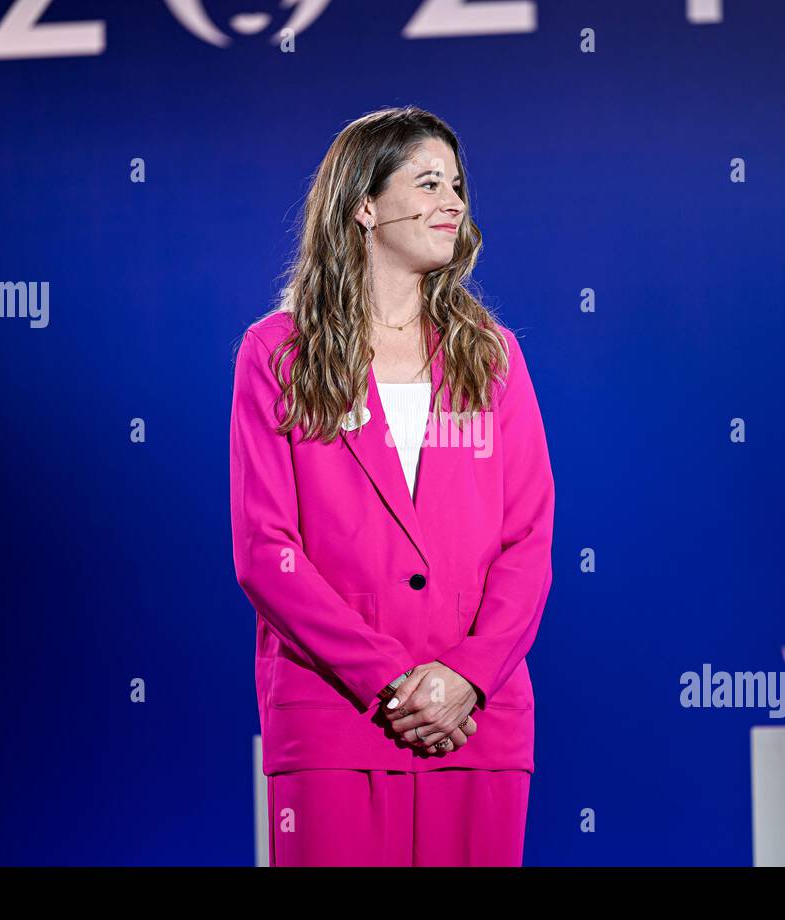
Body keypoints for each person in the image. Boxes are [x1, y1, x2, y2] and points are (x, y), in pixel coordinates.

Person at [229, 105, 554, 866]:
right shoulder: (277, 354)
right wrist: (394, 681)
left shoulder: (491, 356)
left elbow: (528, 541)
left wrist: (465, 680)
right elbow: (265, 551)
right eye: (429, 182)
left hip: (476, 721)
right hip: (337, 718)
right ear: (364, 204)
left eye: (458, 186)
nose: (453, 203)